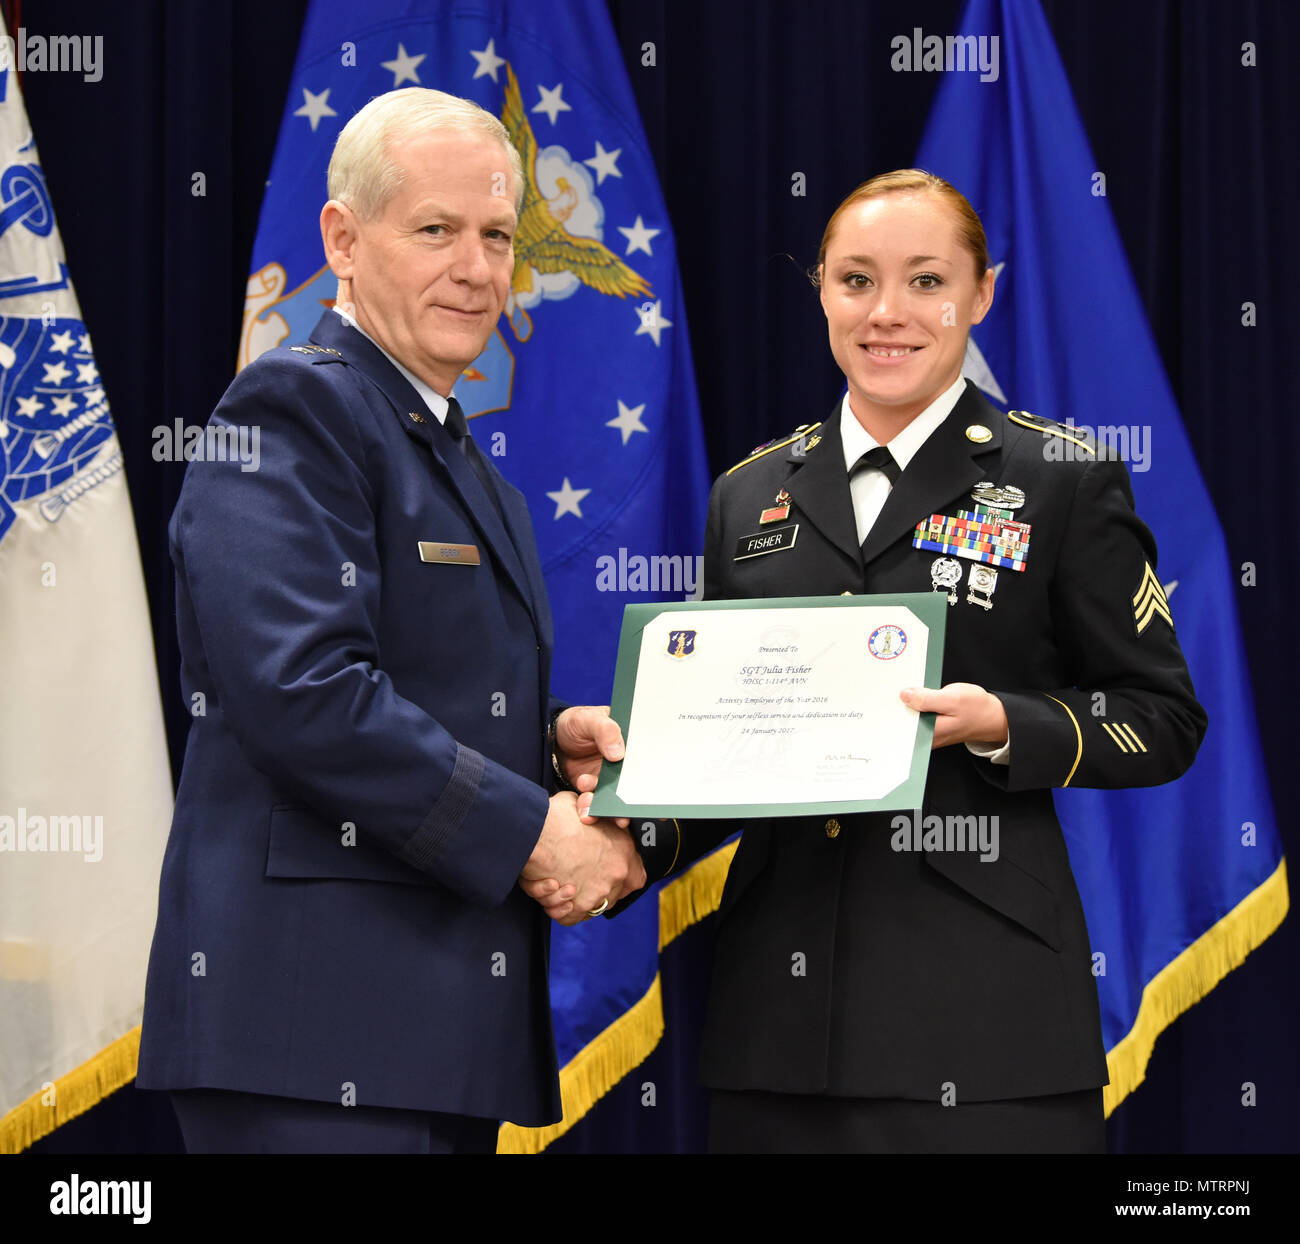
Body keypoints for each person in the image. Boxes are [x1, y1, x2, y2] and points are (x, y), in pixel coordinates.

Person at [526, 169, 1207, 1153]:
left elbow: (1163, 715)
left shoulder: (1058, 475)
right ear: (820, 293)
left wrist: (1004, 723)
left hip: (985, 1017)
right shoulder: (748, 491)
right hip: (780, 1019)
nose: (887, 312)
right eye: (855, 280)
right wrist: (633, 816)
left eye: (926, 281)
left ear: (982, 291)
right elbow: (730, 750)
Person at [135, 88, 645, 1154]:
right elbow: (304, 692)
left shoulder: (460, 458)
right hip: (310, 1035)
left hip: (424, 1033)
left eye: (497, 235)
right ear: (342, 240)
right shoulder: (290, 408)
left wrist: (547, 738)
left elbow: (410, 674)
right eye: (434, 230)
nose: (474, 267)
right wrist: (533, 831)